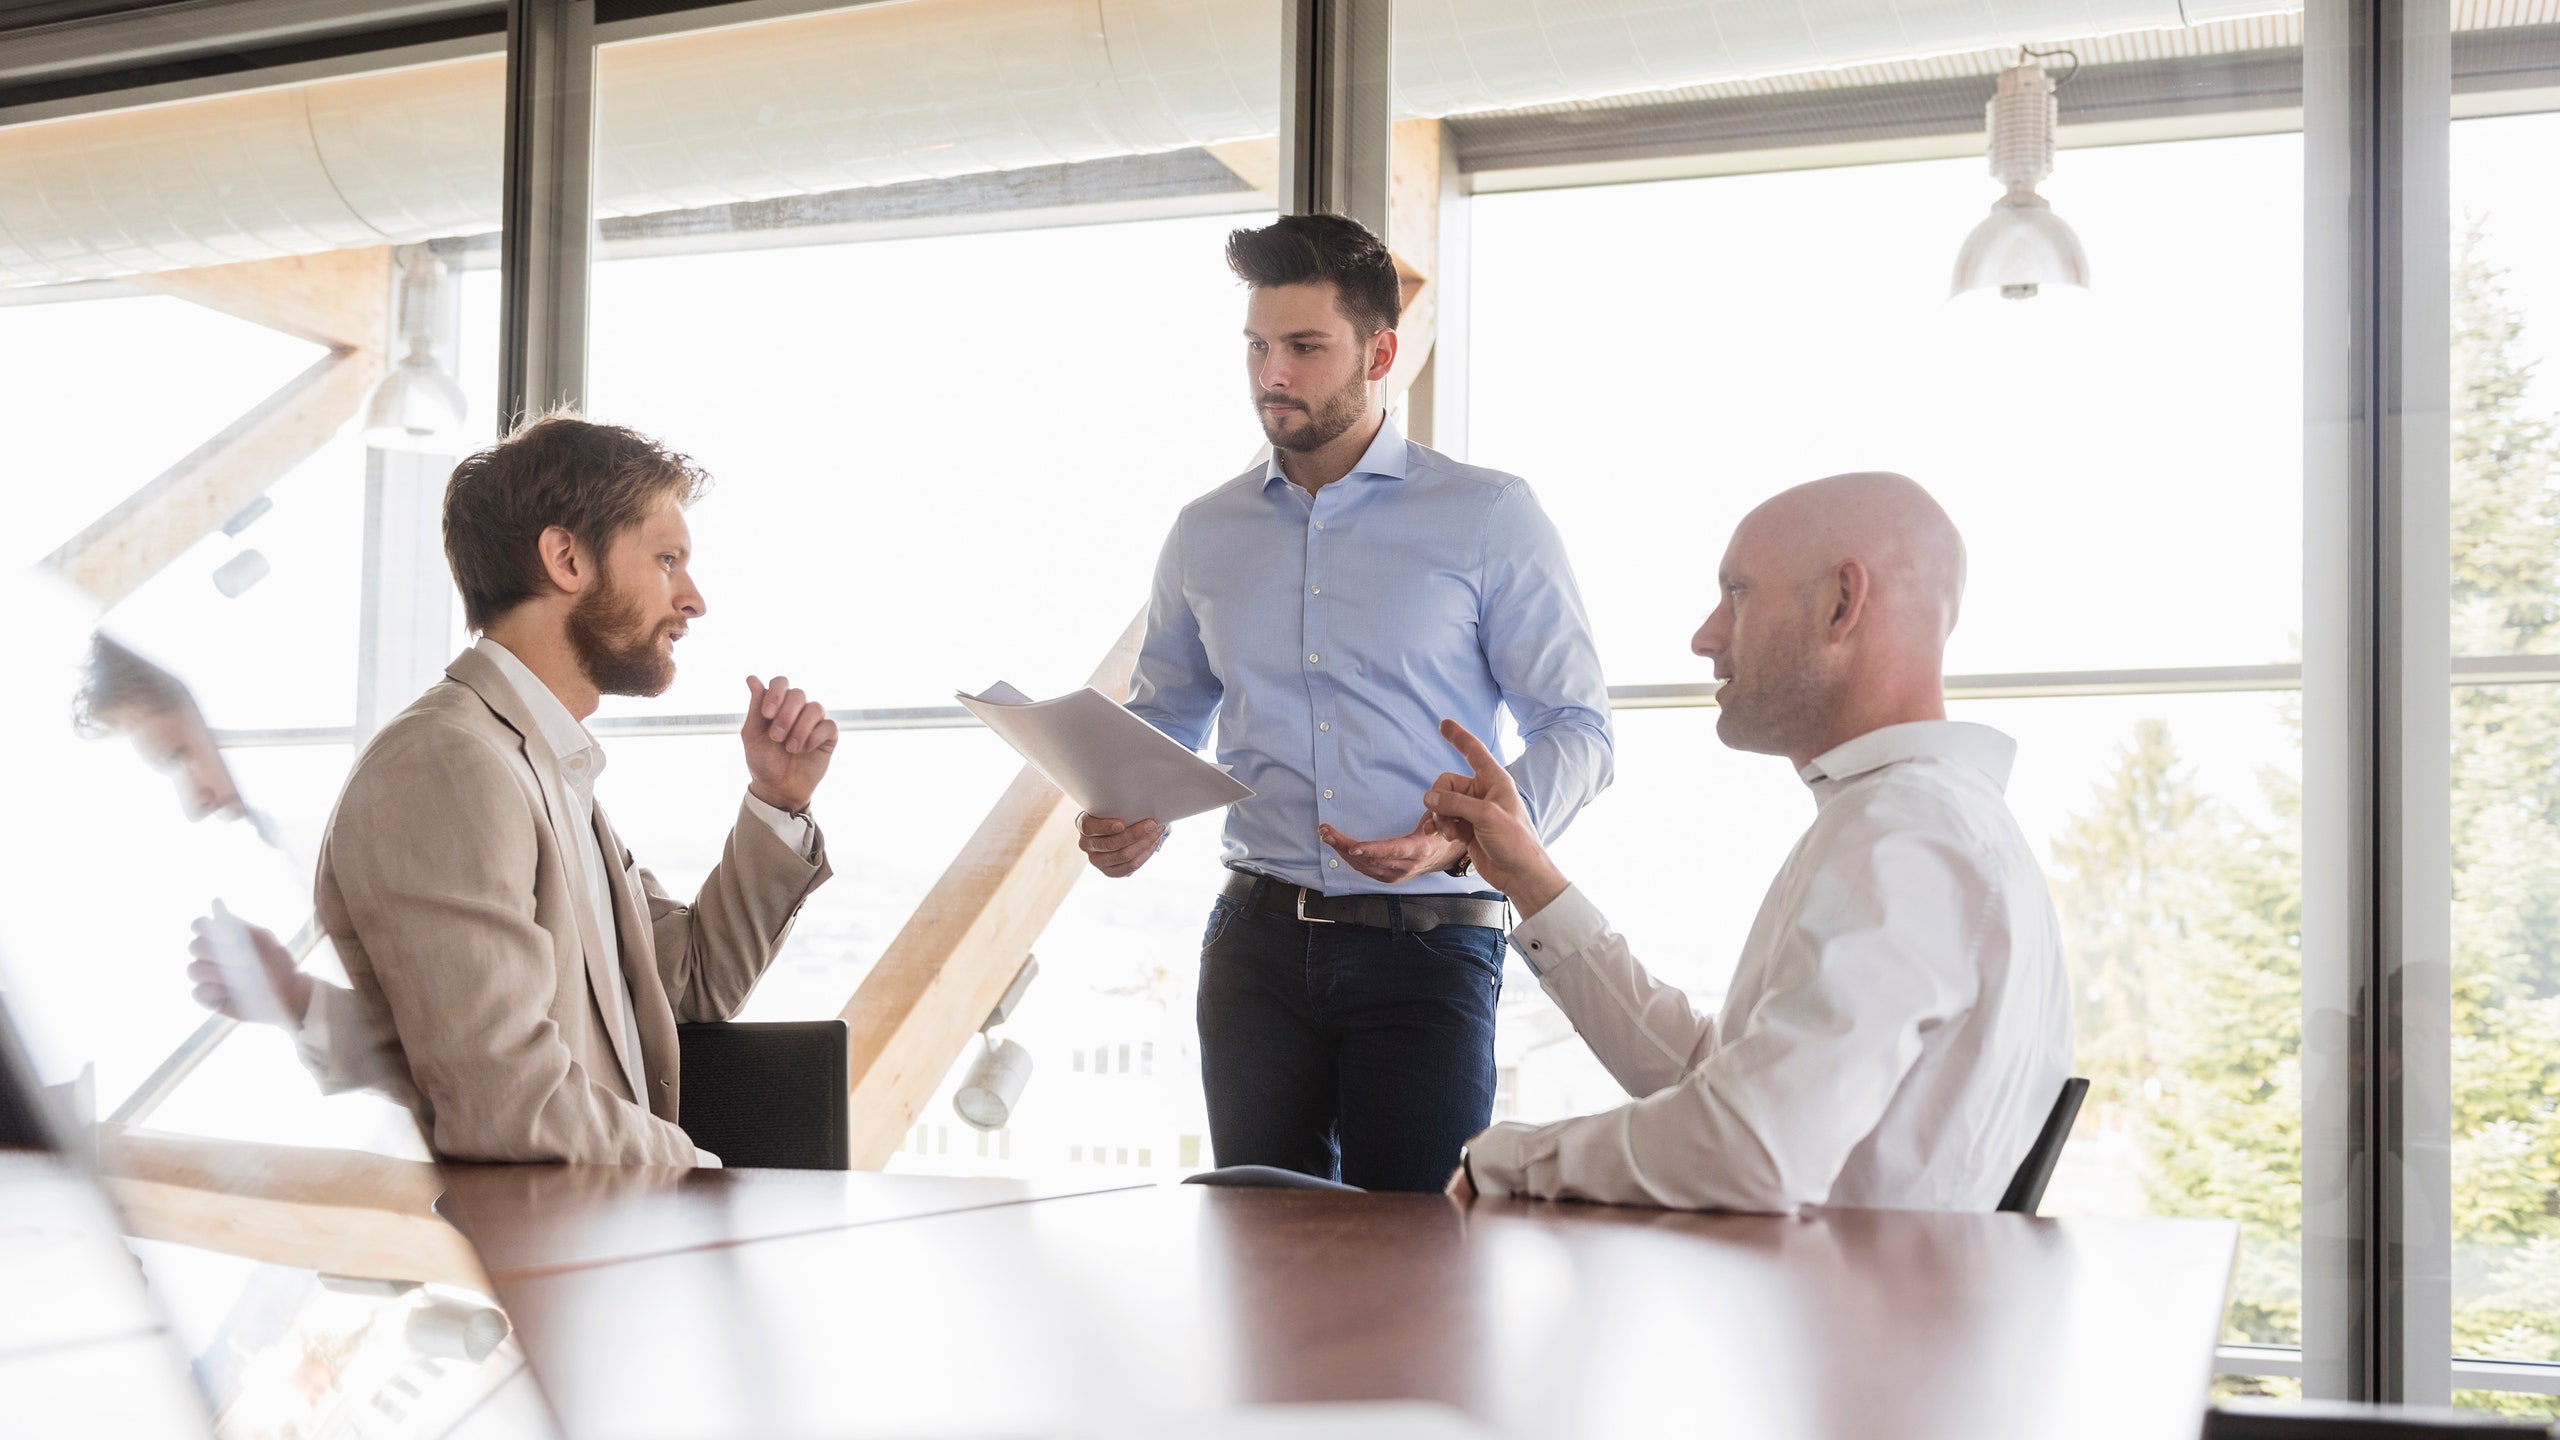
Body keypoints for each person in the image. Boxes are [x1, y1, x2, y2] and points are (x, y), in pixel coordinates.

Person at [1077, 213, 1614, 1192]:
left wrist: (1468, 837)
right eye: (1256, 346)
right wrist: (1127, 810)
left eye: (1304, 347)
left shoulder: (1489, 515)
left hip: (1430, 949)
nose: (1271, 374)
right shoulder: (1204, 531)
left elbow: (1578, 730)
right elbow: (1166, 715)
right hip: (1253, 947)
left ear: (1380, 354)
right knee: (1256, 1242)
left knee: (1417, 1249)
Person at [1425, 472, 2071, 1211]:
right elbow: (1721, 1083)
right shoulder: (1922, 821)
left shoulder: (1902, 835)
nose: (1705, 637)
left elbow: (1756, 1145)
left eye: (1737, 593)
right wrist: (1530, 879)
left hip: (1827, 1288)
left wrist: (1506, 1161)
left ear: (1841, 604)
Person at [311, 413, 839, 1165]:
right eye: (666, 559)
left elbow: (686, 982)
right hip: (557, 1231)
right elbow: (509, 1100)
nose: (693, 599)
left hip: (609, 1219)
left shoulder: (547, 769)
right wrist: (700, 1175)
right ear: (565, 559)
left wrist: (777, 802)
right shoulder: (450, 764)